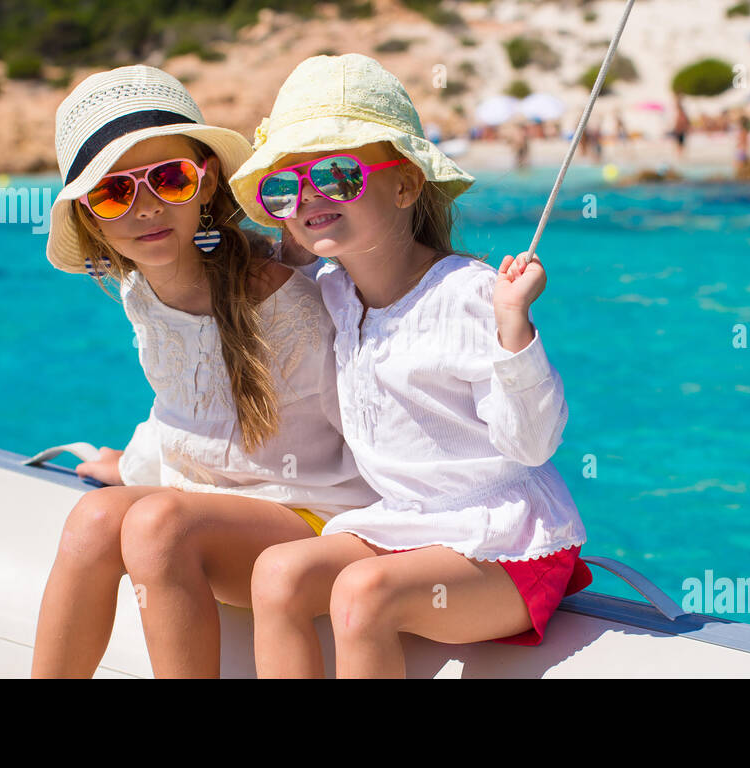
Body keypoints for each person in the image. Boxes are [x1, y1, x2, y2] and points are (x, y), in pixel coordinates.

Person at [228, 54, 591, 678]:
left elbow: (532, 444)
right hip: (406, 526)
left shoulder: (469, 295)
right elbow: (263, 260)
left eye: (338, 174)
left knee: (362, 593)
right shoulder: (336, 290)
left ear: (406, 185)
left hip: (509, 545)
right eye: (285, 187)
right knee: (279, 572)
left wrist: (513, 326)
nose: (310, 195)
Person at [31, 65, 377, 678]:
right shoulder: (141, 294)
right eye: (115, 193)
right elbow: (183, 412)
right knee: (91, 519)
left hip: (315, 518)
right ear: (90, 216)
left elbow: (367, 424)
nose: (146, 208)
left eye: (168, 179)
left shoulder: (284, 304)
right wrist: (136, 463)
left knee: (159, 524)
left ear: (207, 181)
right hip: (215, 510)